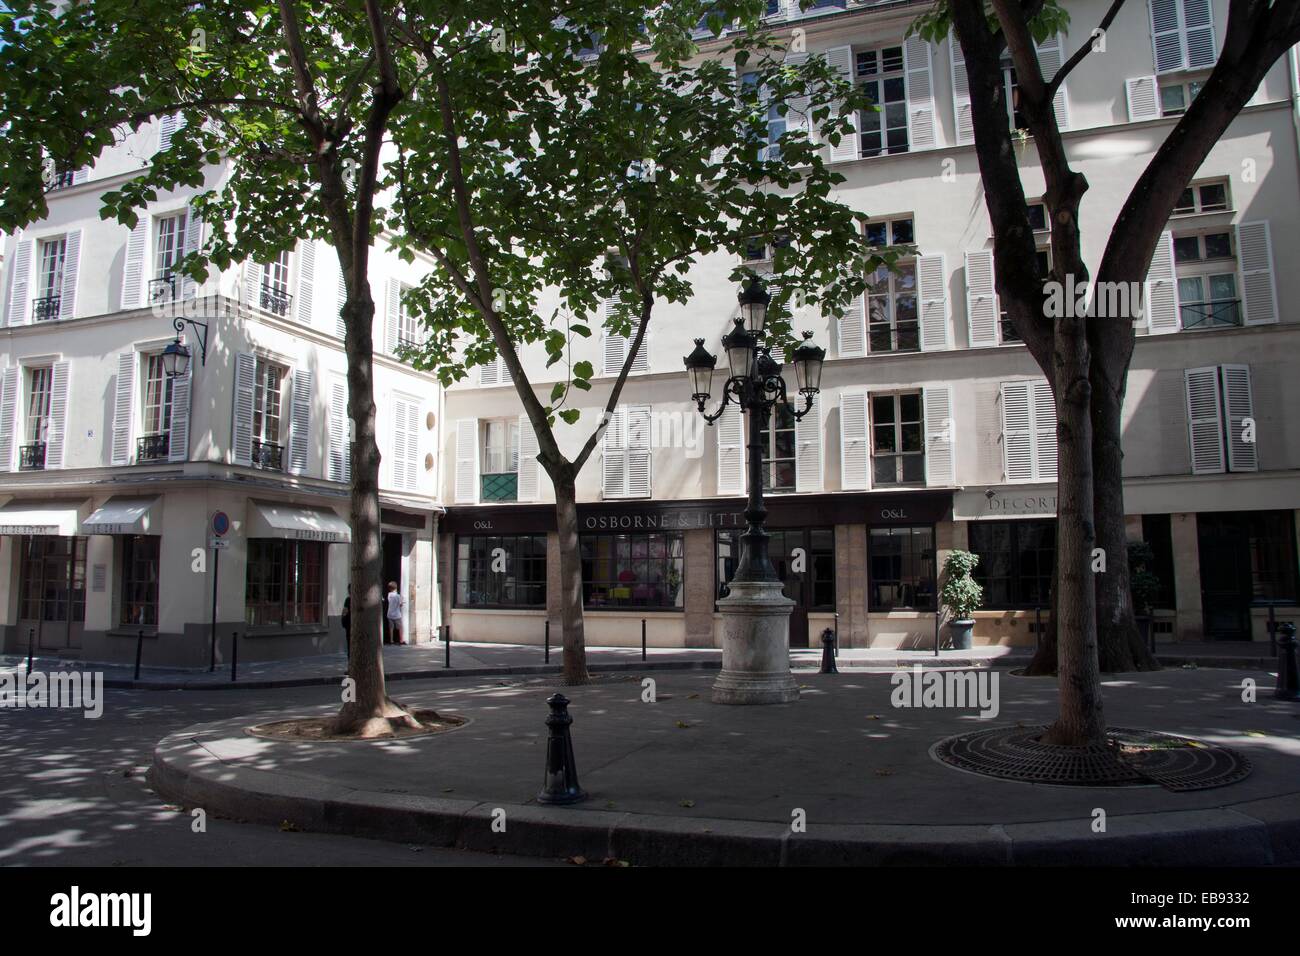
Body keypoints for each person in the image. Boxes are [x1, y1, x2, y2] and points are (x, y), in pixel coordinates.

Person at [385, 581, 404, 646]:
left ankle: (391, 640)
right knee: (400, 627)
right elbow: (400, 604)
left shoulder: (389, 595)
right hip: (397, 614)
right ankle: (401, 640)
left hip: (390, 614)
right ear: (396, 588)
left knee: (391, 628)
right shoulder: (398, 596)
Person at [341, 585, 351, 655]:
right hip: (349, 624)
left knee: (350, 644)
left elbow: (344, 612)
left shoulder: (348, 599)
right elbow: (345, 612)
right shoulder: (348, 600)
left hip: (349, 625)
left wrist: (343, 621)